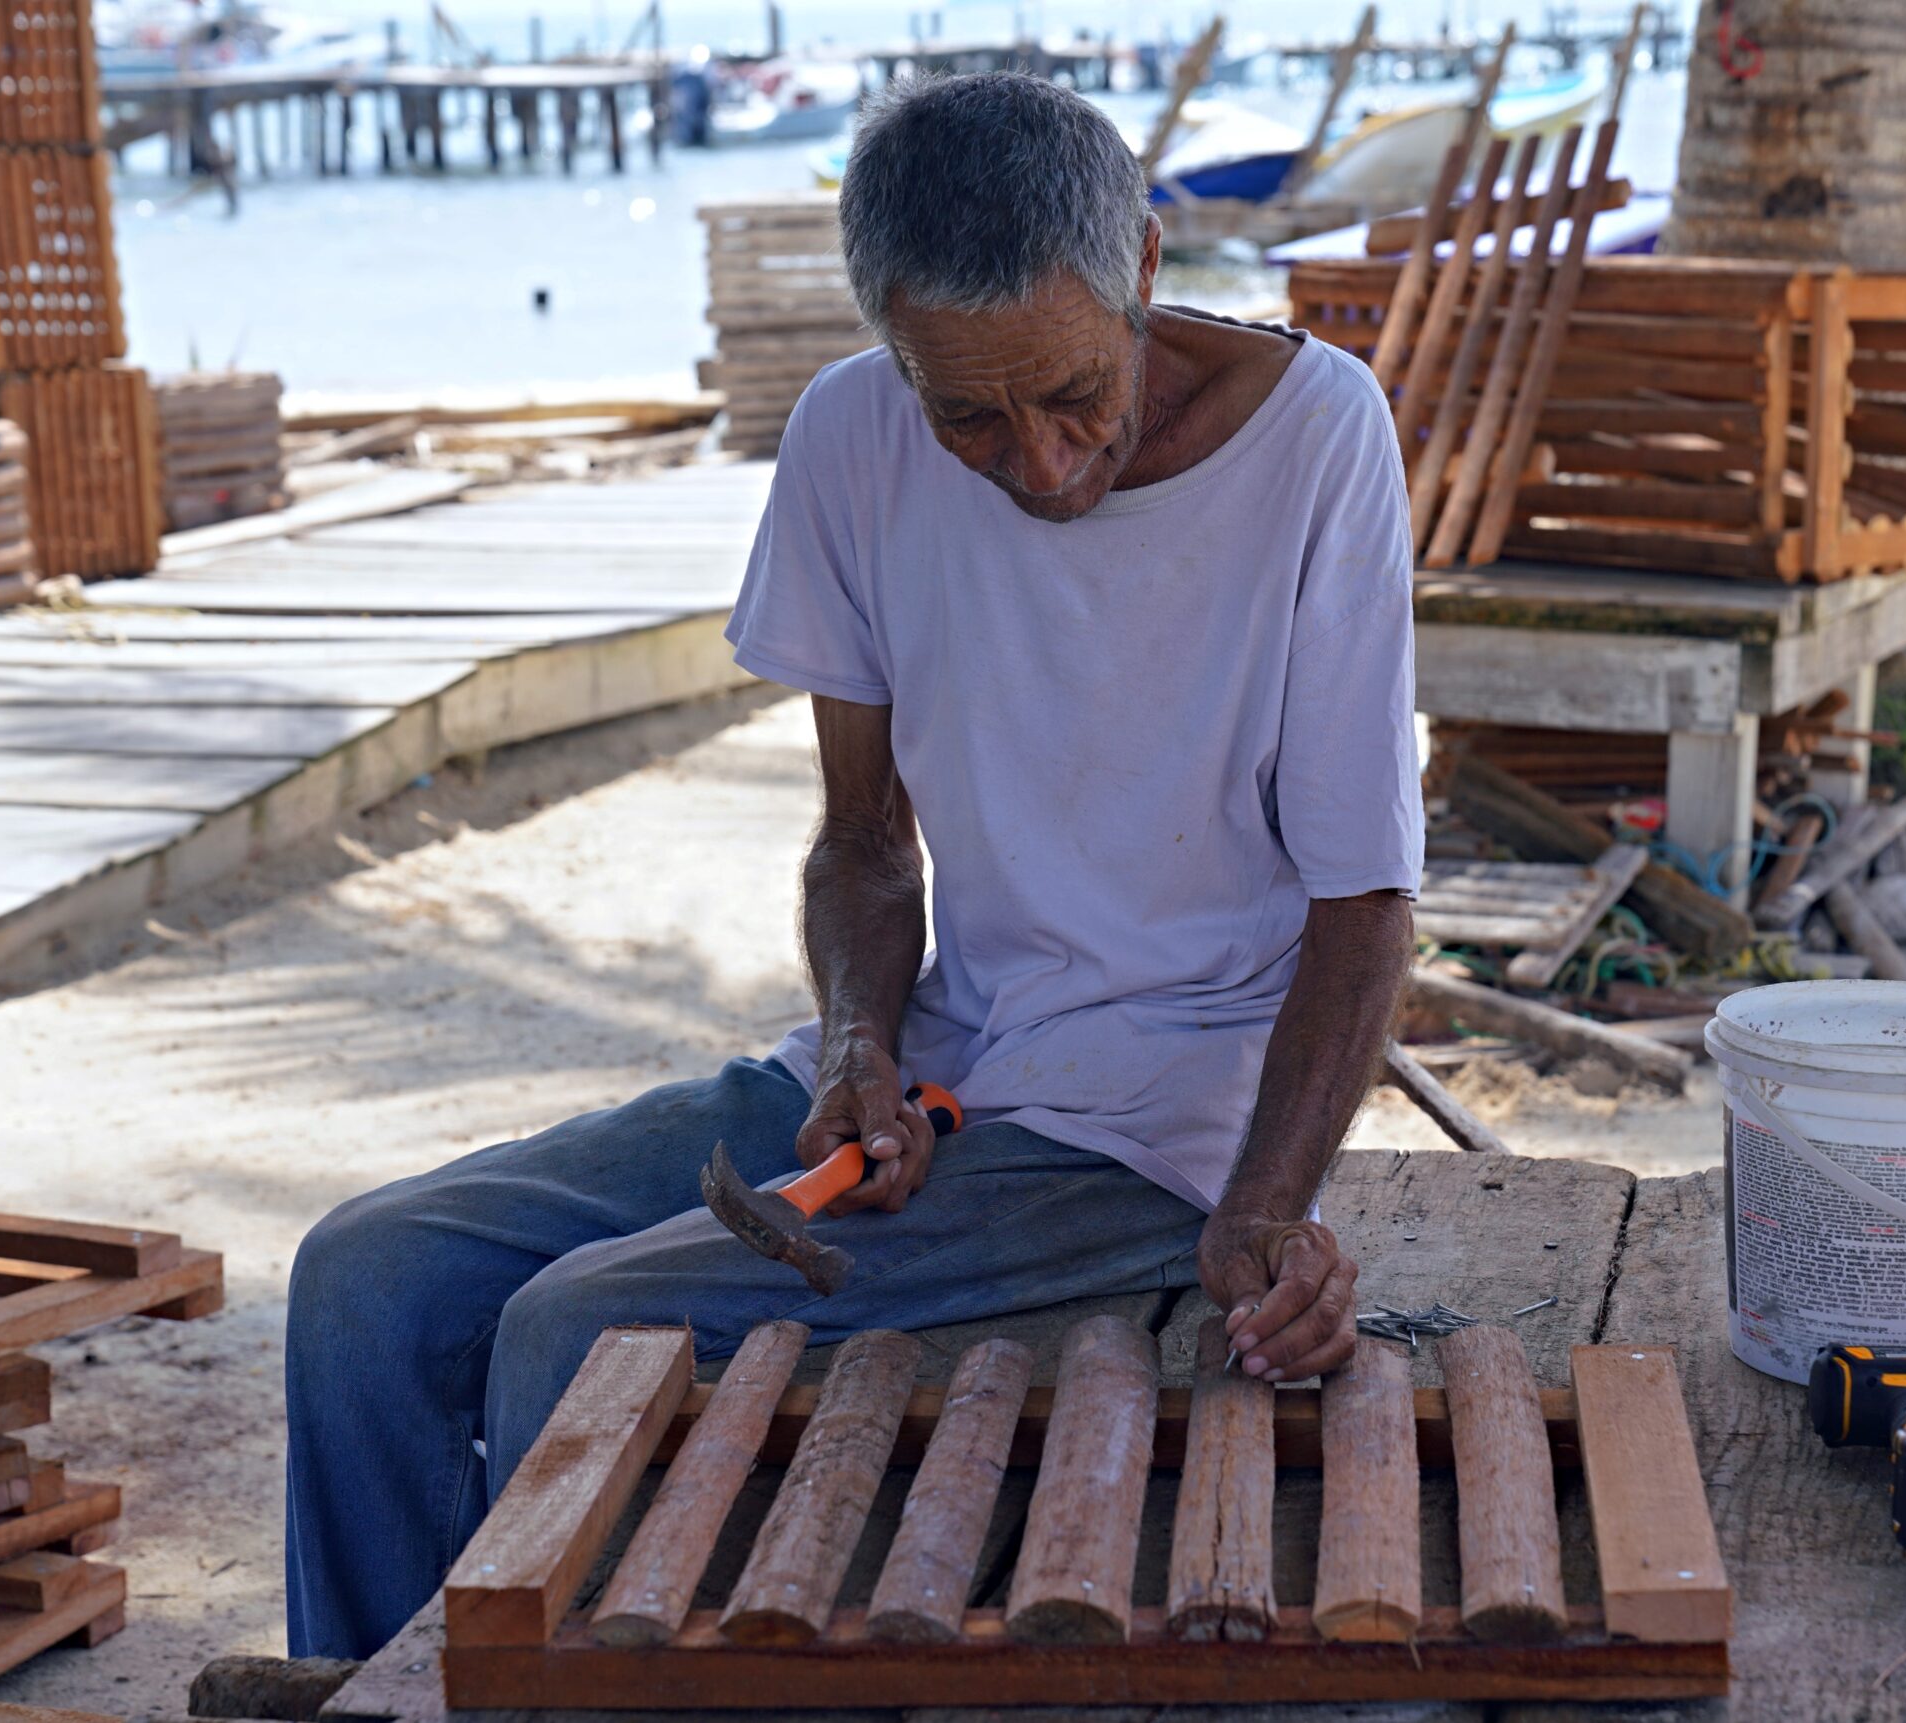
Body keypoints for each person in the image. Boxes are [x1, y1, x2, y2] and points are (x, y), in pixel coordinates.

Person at [281, 71, 1422, 1659]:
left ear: (1148, 265)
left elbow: (1366, 900)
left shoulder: (1316, 437)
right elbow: (868, 846)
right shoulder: (847, 435)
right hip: (950, 1067)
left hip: (1153, 1122)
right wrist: (858, 1046)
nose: (1035, 460)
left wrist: (1267, 1203)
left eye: (1074, 392)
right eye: (967, 411)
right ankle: (377, 1689)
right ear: (894, 350)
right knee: (365, 1275)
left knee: (572, 1326)